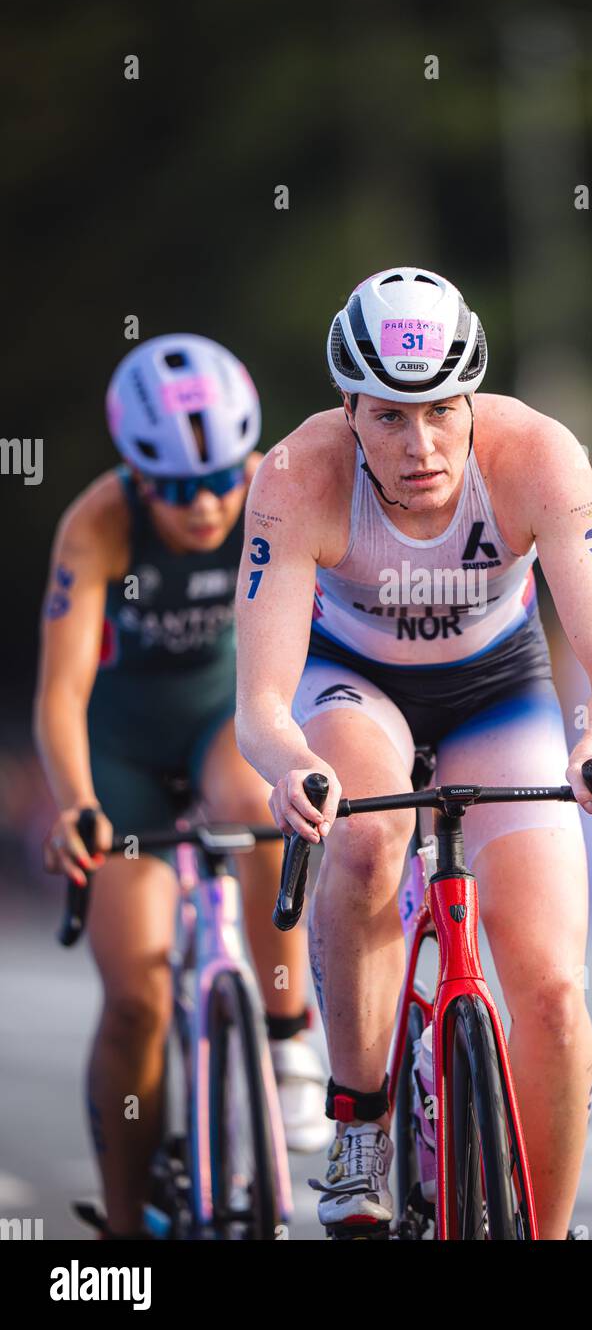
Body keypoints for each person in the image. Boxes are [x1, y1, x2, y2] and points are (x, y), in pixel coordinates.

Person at [234, 268, 592, 1240]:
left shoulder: (538, 457)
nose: (419, 446)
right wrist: (291, 765)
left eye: (439, 412)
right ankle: (357, 1123)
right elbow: (259, 697)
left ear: (472, 399)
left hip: (494, 687)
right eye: (386, 418)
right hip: (355, 687)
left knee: (548, 990)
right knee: (369, 838)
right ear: (347, 410)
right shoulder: (296, 477)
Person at [33, 333, 331, 1240]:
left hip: (221, 723)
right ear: (135, 473)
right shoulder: (98, 522)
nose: (202, 507)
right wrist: (77, 801)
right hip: (121, 748)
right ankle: (124, 1234)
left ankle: (286, 1041)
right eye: (172, 487)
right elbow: (62, 690)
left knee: (251, 804)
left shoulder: (275, 492)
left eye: (217, 480)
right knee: (136, 999)